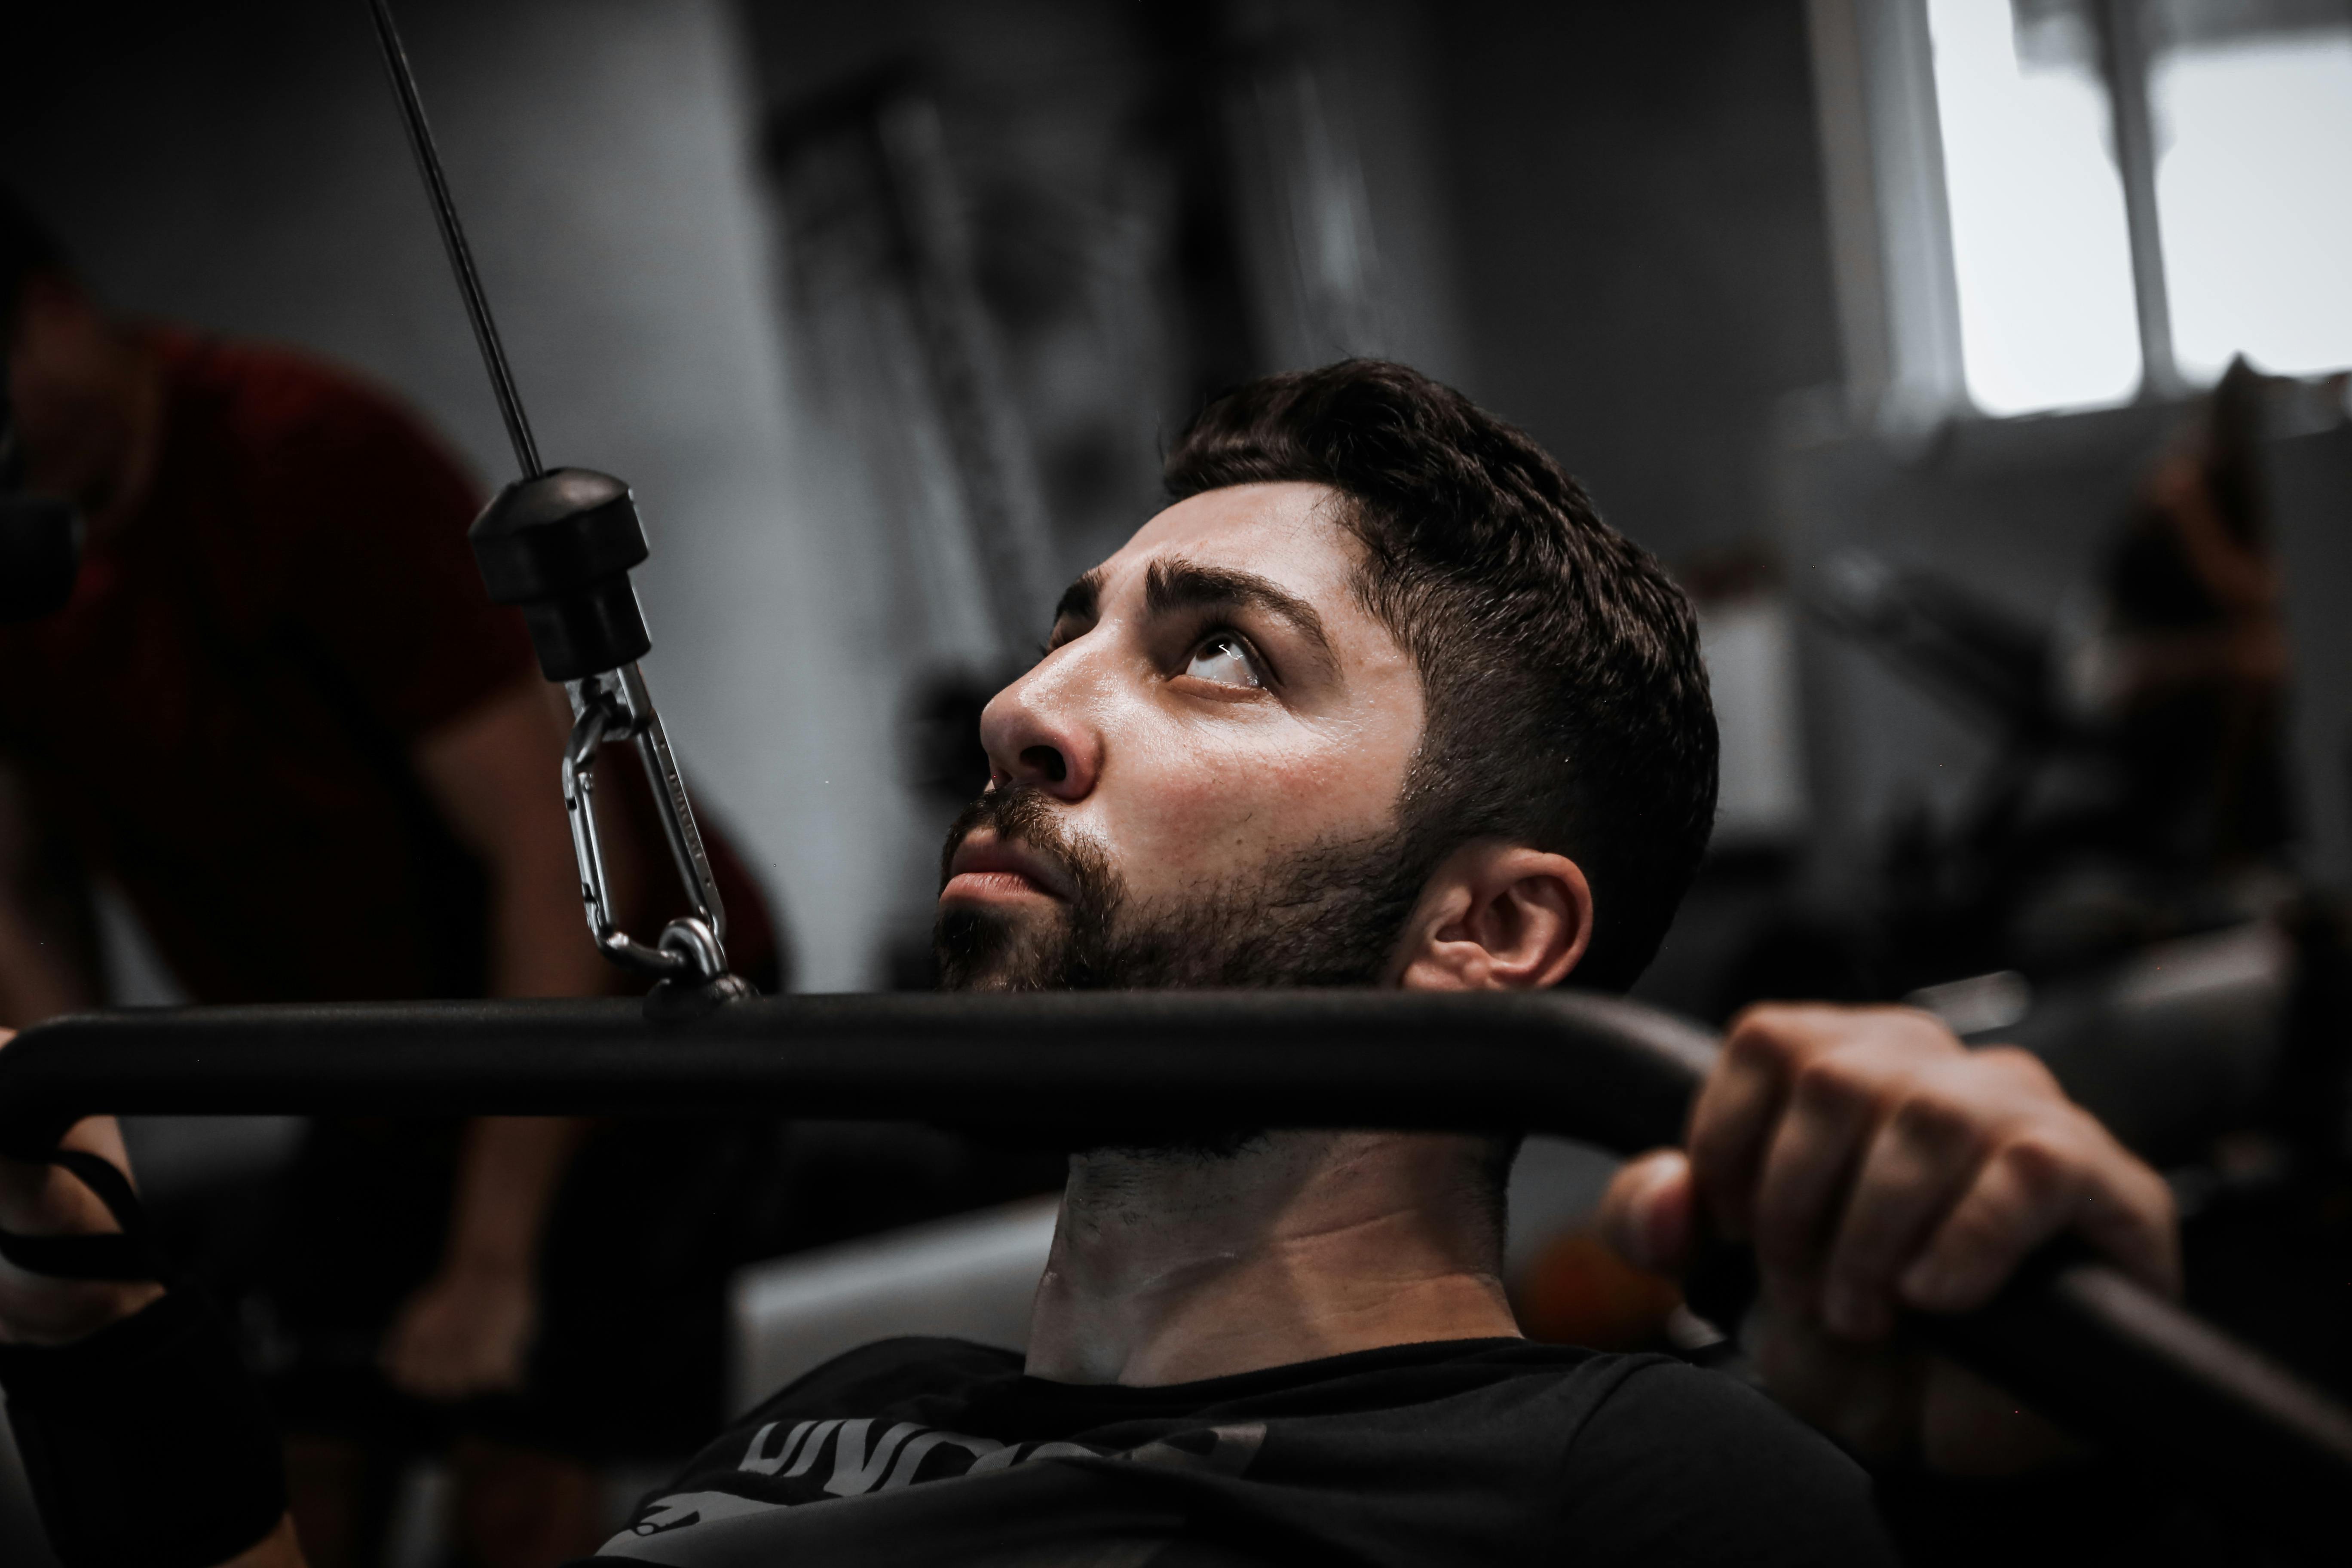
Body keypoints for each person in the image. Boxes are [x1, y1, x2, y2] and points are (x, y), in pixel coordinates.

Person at [0, 362, 2181, 1566]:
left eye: (1216, 654)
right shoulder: (844, 1421)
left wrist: (2045, 1478)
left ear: (1491, 927)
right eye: (1076, 627)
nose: (1026, 705)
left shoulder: (1620, 1490)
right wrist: (82, 1304)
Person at [0, 192, 783, 1568]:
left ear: (51, 315)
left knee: (510, 1466)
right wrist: (83, 1219)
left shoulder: (301, 455)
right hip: (374, 1077)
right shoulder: (24, 563)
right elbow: (21, 895)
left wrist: (491, 1261)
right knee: (290, 1470)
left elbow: (547, 855)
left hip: (610, 1030)